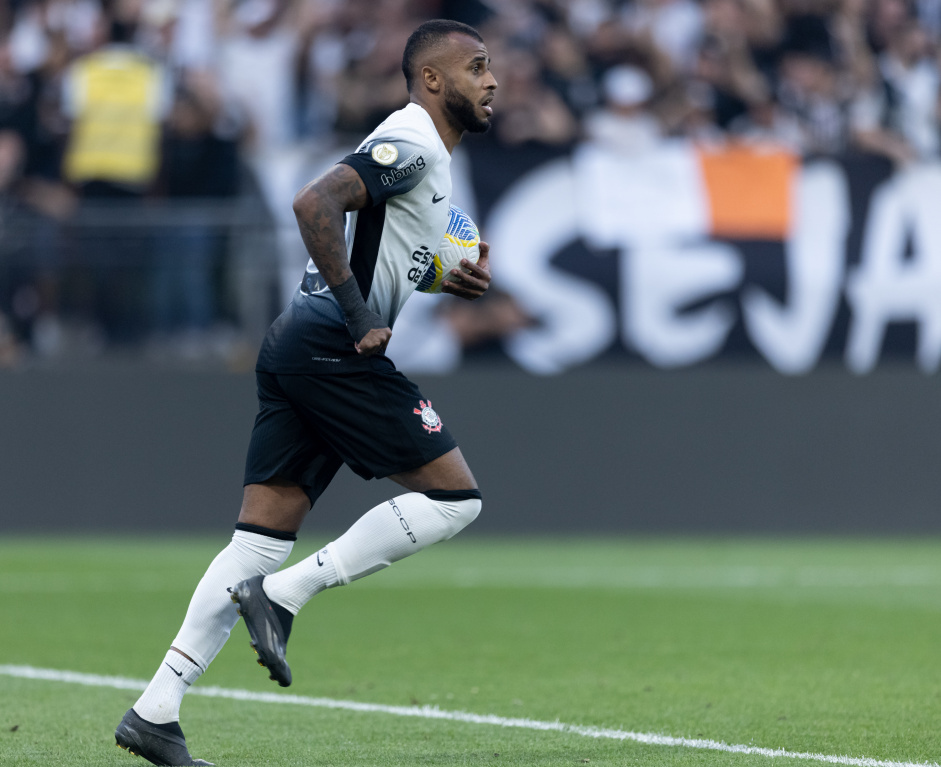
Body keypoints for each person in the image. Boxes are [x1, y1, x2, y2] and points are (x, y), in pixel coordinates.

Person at [113, 18, 497, 767]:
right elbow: (313, 203)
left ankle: (155, 710)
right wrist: (360, 317)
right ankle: (285, 596)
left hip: (298, 341)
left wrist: (441, 278)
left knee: (257, 541)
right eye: (476, 66)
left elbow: (378, 246)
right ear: (431, 79)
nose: (491, 81)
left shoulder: (425, 157)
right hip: (331, 344)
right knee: (455, 499)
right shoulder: (413, 141)